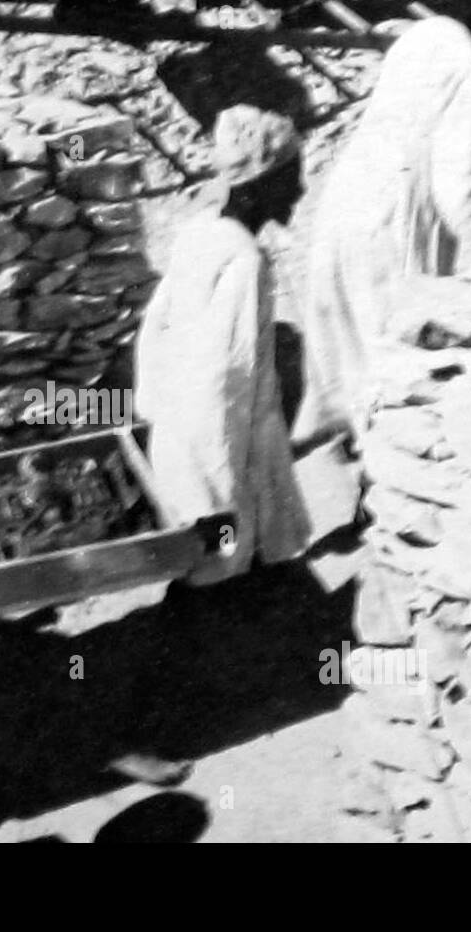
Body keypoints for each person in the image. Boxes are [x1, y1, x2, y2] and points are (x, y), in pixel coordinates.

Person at [294, 16, 471, 447]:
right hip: (391, 222)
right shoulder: (465, 60)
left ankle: (352, 467)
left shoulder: (420, 38)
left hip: (343, 203)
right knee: (395, 370)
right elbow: (458, 194)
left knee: (347, 362)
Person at [135, 104, 312, 586]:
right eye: (290, 177)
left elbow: (157, 332)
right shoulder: (244, 260)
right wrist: (221, 475)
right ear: (258, 184)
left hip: (178, 422)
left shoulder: (200, 231)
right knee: (221, 565)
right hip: (209, 432)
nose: (300, 190)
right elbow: (226, 377)